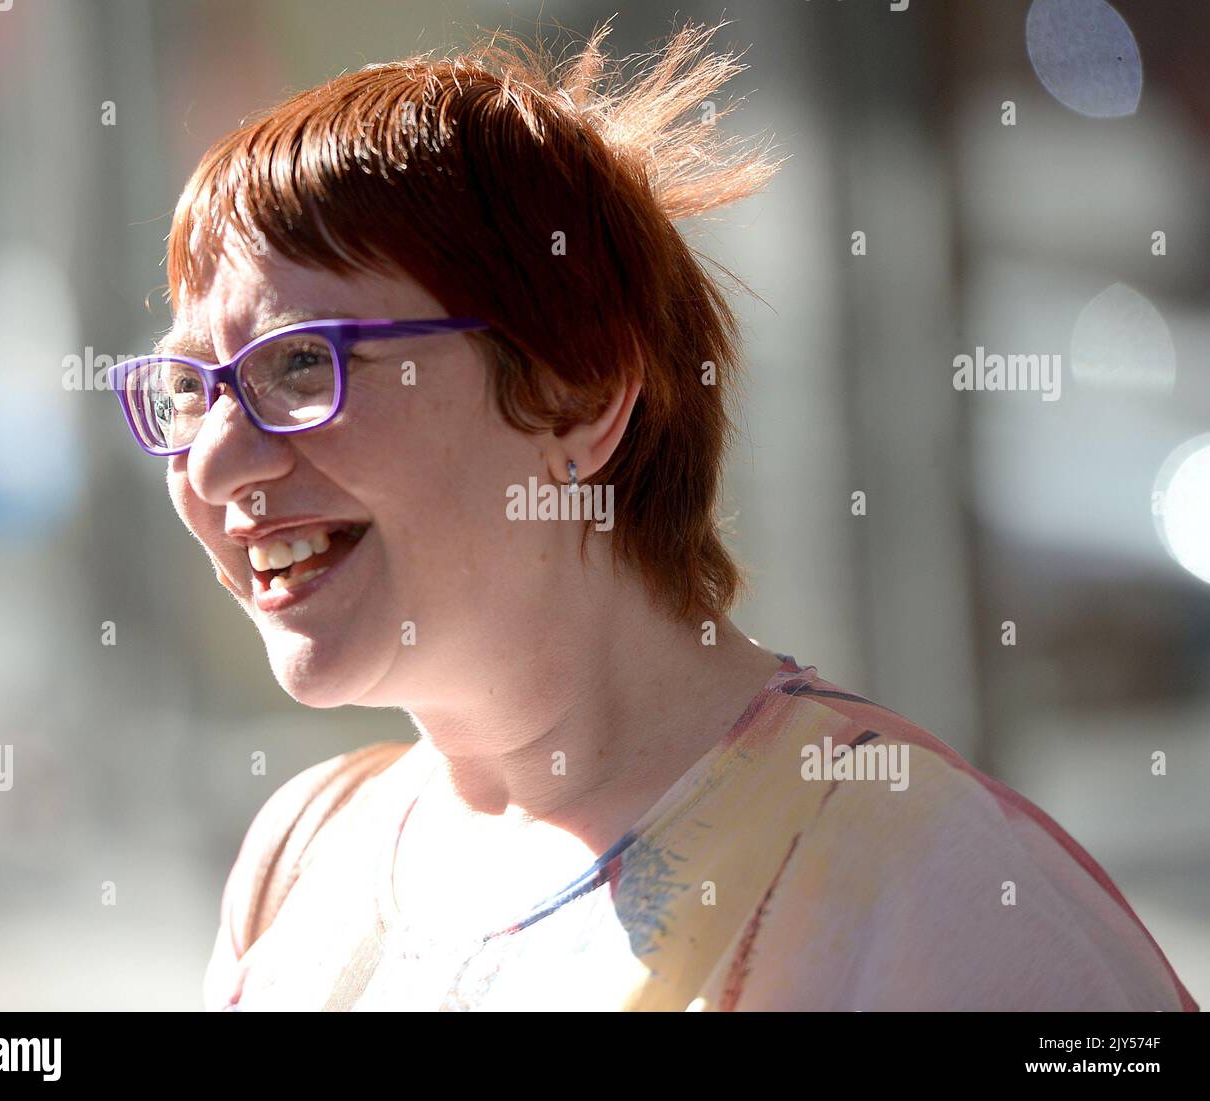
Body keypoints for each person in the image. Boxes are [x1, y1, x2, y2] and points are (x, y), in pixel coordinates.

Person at [108, 21, 1198, 1011]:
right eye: (188, 390)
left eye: (301, 364)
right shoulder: (304, 858)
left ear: (580, 394)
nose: (212, 462)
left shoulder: (920, 878)